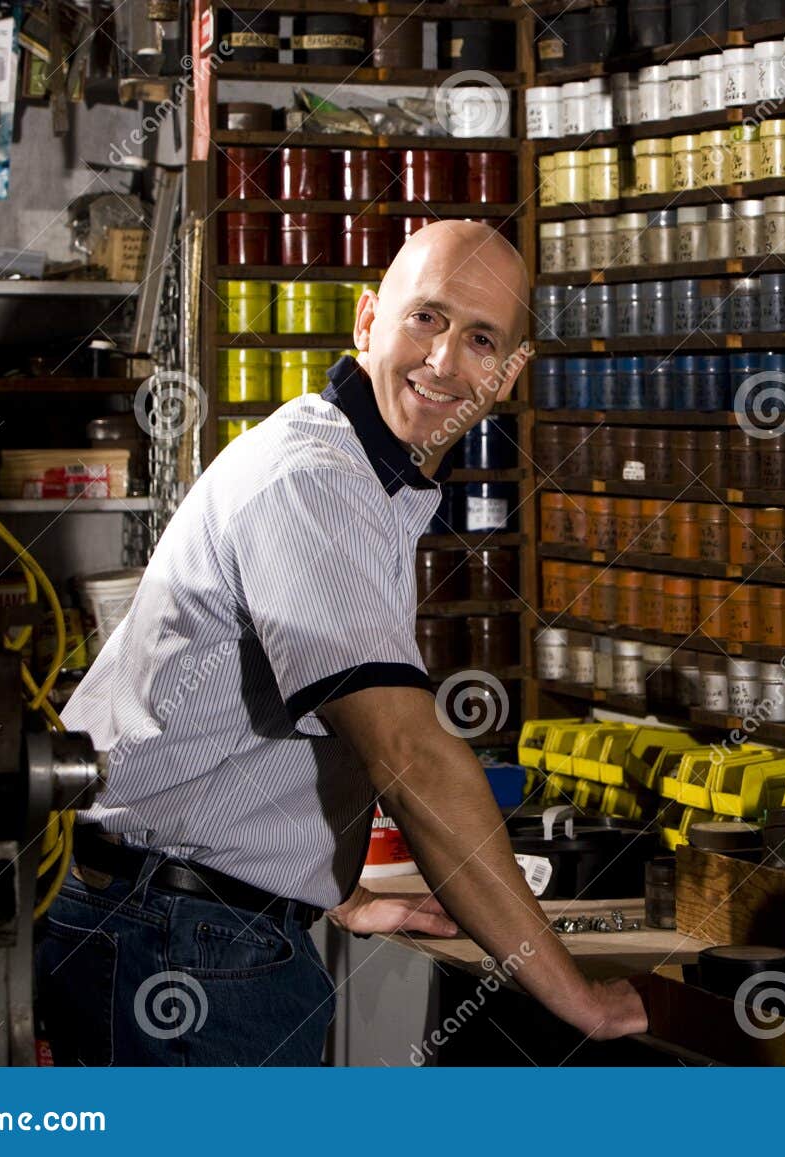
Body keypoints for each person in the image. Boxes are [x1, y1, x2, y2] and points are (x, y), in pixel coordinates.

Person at [37, 221, 648, 1065]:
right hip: (179, 942)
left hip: (189, 919)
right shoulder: (314, 482)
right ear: (367, 322)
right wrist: (571, 993)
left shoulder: (367, 477)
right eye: (425, 319)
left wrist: (325, 879)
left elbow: (245, 734)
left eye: (480, 340)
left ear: (507, 374)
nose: (443, 363)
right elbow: (412, 755)